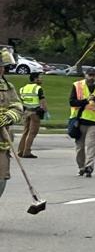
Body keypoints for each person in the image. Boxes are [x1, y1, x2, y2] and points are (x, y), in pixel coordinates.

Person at [69, 67, 95, 177]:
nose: (91, 77)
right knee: (80, 147)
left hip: (94, 121)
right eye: (89, 75)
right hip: (80, 121)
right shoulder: (77, 86)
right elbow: (72, 102)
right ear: (85, 75)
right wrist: (86, 101)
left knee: (91, 145)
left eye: (93, 75)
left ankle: (89, 167)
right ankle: (81, 167)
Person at [0, 47, 24, 200]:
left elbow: (18, 106)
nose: (2, 70)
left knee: (1, 179)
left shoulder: (8, 87)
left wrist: (9, 116)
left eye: (3, 67)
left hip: (2, 142)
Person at [17, 72, 46, 158]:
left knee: (25, 132)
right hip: (35, 113)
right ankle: (27, 152)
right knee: (32, 132)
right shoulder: (38, 88)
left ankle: (20, 150)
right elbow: (42, 102)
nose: (41, 79)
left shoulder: (23, 88)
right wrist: (45, 111)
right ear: (35, 79)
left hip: (26, 112)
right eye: (40, 77)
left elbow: (22, 100)